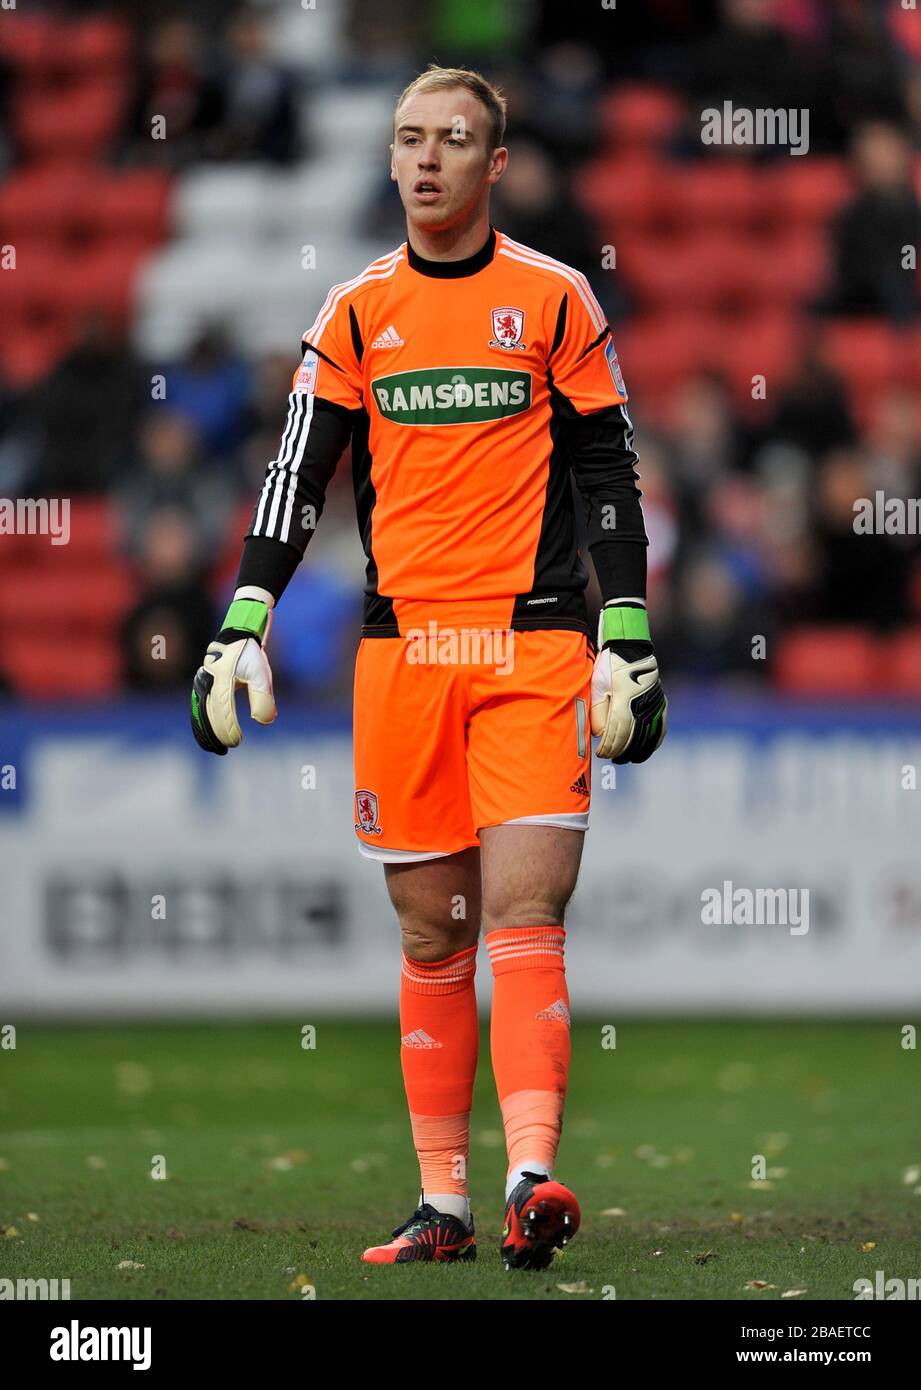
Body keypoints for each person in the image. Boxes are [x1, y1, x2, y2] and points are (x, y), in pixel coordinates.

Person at [190, 65, 667, 1270]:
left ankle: (532, 1174)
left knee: (524, 906)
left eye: (454, 140)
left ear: (494, 164)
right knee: (429, 929)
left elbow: (608, 474)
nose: (426, 159)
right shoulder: (355, 314)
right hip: (405, 649)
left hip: (533, 640)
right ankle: (444, 1202)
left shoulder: (555, 302)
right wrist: (242, 617)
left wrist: (628, 630)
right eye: (409, 139)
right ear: (392, 157)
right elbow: (295, 479)